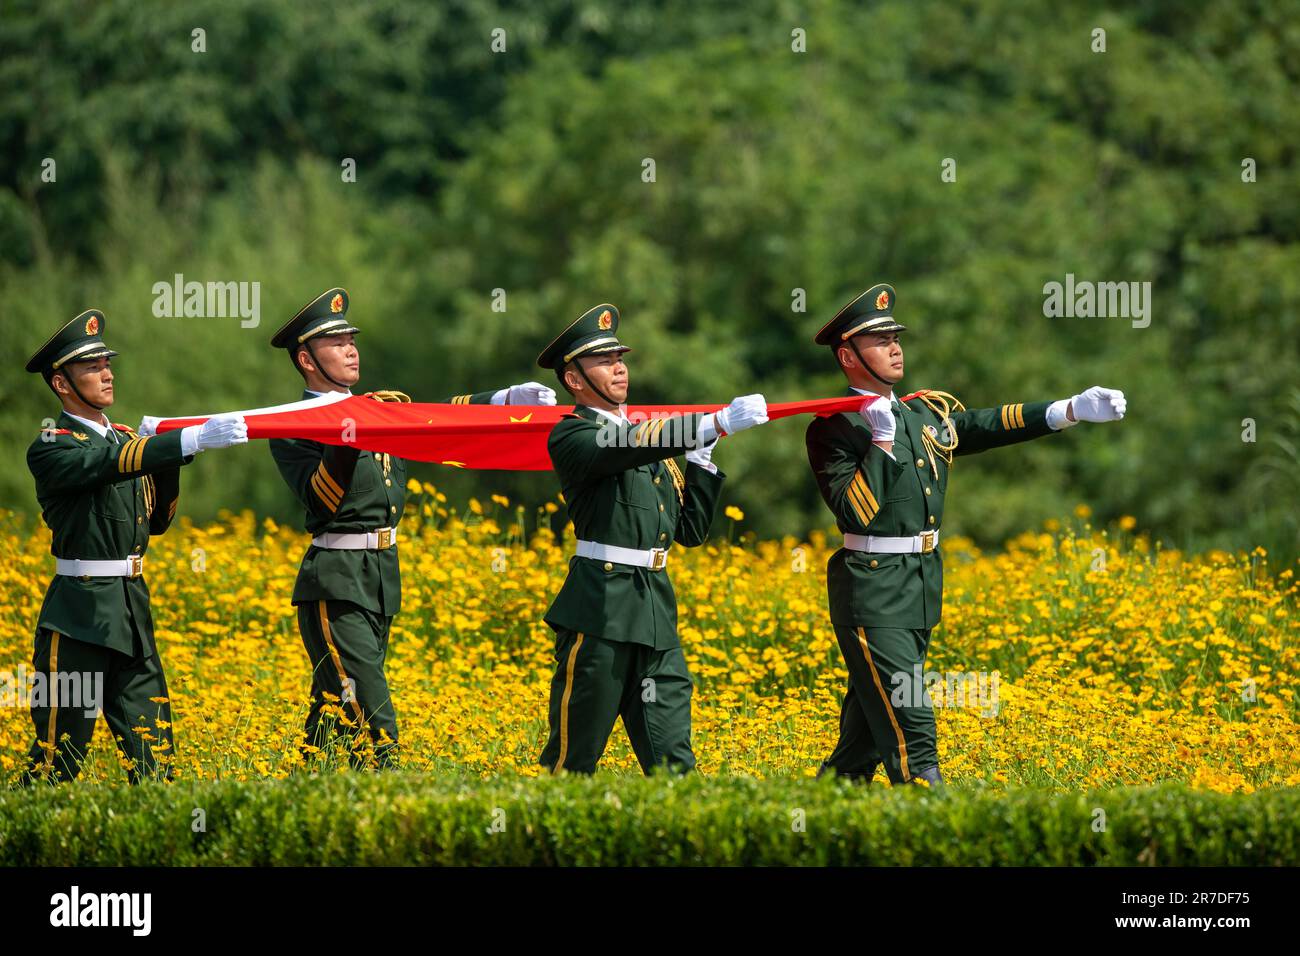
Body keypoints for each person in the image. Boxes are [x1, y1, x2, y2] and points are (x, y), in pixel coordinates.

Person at [806, 283, 1127, 786]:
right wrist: (882, 442)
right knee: (911, 721)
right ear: (848, 355)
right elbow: (855, 511)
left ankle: (828, 802)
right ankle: (933, 813)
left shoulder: (920, 412)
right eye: (878, 340)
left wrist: (1067, 410)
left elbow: (981, 425)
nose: (894, 347)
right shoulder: (835, 426)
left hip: (918, 586)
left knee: (866, 732)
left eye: (896, 337)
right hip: (871, 589)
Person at [267, 287, 555, 768]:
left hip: (380, 577)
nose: (351, 348)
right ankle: (391, 786)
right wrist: (347, 437)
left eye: (351, 339)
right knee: (373, 714)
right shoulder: (290, 424)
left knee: (336, 708)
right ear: (307, 359)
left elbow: (435, 418)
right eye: (336, 343)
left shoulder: (379, 408)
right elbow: (321, 501)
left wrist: (502, 400)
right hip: (335, 581)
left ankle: (303, 787)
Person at [535, 302, 768, 774]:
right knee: (572, 761)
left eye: (620, 358)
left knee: (674, 763)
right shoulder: (573, 435)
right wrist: (712, 422)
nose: (619, 368)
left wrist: (702, 459)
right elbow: (623, 447)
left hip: (656, 612)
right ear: (574, 379)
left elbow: (689, 532)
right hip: (600, 609)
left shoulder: (651, 440)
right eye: (603, 361)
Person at [20, 309, 247, 783]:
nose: (107, 373)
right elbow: (104, 464)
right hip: (80, 617)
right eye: (91, 367)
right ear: (61, 384)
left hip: (131, 615)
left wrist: (168, 452)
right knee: (55, 761)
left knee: (155, 761)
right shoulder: (52, 444)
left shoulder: (126, 440)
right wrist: (181, 442)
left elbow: (156, 521)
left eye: (107, 363)